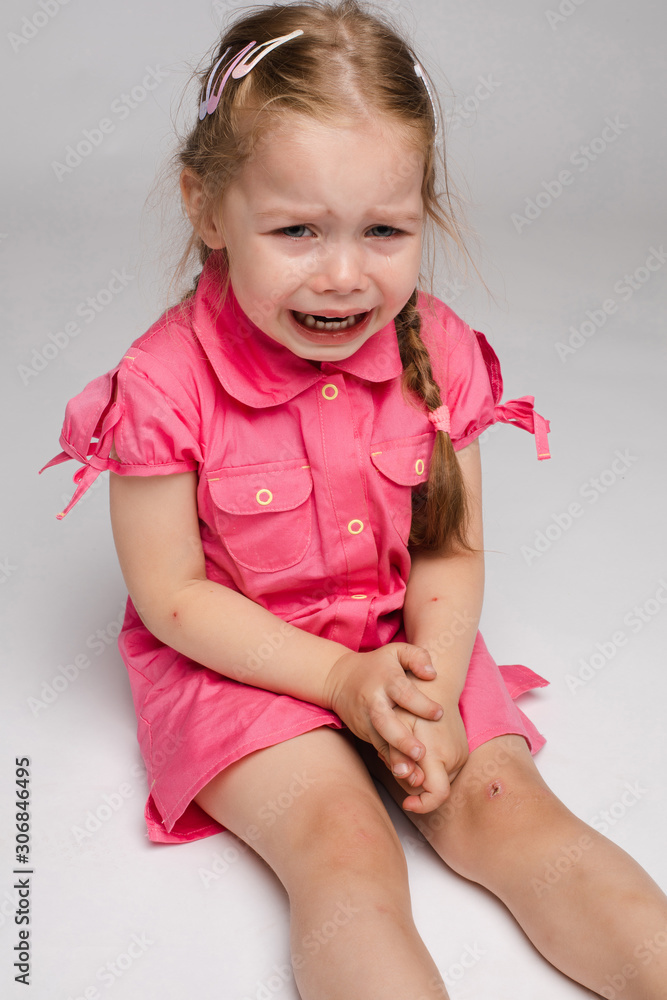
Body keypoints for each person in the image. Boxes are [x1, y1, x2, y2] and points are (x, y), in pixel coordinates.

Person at [42, 2, 667, 997]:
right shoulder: (160, 387)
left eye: (383, 229)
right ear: (207, 208)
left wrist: (431, 691)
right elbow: (172, 598)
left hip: (408, 635)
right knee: (342, 847)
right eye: (296, 229)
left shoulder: (439, 350)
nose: (342, 273)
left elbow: (448, 549)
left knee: (511, 808)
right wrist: (339, 682)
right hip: (237, 659)